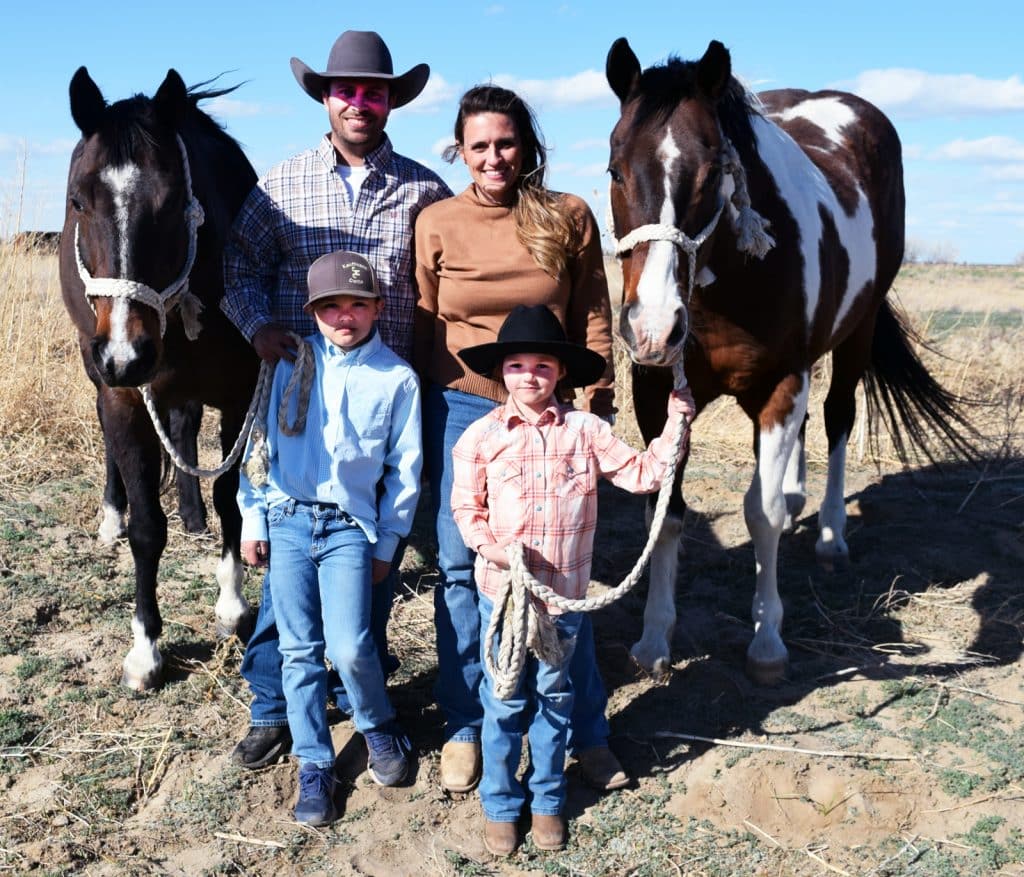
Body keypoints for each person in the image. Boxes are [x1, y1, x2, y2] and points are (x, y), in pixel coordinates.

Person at [222, 30, 451, 769]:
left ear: (391, 101)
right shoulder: (280, 186)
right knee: (285, 566)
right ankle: (271, 703)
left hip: (383, 396)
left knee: (370, 555)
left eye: (373, 90)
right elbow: (238, 266)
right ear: (324, 97)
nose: (359, 101)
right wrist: (260, 330)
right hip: (297, 400)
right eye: (346, 89)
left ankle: (361, 690)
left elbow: (443, 286)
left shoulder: (425, 191)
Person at [413, 84, 625, 795]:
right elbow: (420, 322)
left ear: (526, 146)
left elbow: (593, 308)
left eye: (505, 143)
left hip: (552, 414)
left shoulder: (567, 216)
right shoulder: (436, 220)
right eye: (479, 145)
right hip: (463, 408)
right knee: (459, 565)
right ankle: (467, 720)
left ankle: (586, 729)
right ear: (460, 149)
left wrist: (600, 395)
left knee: (563, 571)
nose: (493, 157)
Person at [450, 304, 695, 855]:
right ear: (501, 372)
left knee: (555, 698)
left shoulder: (587, 431)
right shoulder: (480, 438)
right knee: (505, 700)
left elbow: (644, 474)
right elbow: (467, 510)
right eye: (517, 365)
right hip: (505, 599)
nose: (530, 375)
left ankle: (547, 801)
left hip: (562, 601)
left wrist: (676, 420)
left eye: (542, 365)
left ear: (560, 373)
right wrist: (492, 549)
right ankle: (499, 804)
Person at [237, 250, 422, 826]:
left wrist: (387, 544)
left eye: (358, 304)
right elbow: (260, 448)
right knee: (297, 650)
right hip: (289, 519)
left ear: (378, 309)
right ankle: (314, 762)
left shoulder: (397, 379)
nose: (345, 316)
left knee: (349, 646)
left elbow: (404, 470)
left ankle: (376, 724)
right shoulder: (289, 364)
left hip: (348, 529)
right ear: (313, 312)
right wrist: (252, 516)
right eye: (331, 306)